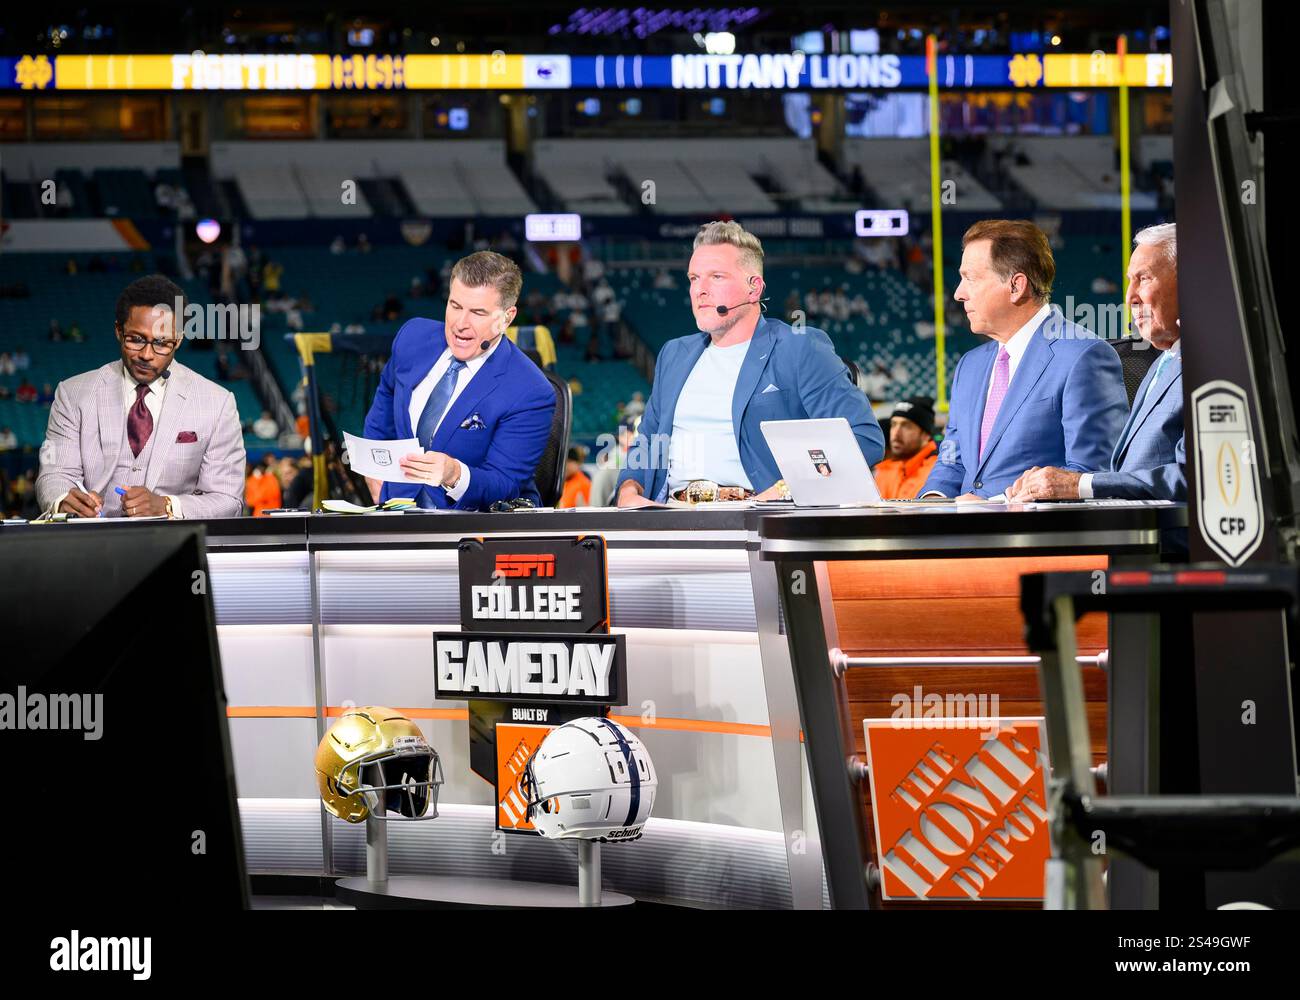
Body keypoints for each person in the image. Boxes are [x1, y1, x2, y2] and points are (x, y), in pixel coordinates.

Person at [617, 221, 884, 506]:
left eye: (716, 277)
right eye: (694, 278)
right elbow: (647, 441)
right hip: (670, 516)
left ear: (754, 288)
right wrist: (629, 490)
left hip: (757, 520)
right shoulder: (674, 354)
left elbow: (864, 439)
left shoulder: (799, 348)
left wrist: (786, 489)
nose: (700, 290)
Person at [919, 219, 1127, 500]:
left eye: (971, 279)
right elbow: (951, 459)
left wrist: (992, 509)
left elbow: (1090, 475)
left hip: (1036, 539)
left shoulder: (1083, 356)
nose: (958, 293)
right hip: (961, 536)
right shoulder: (970, 365)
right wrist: (933, 502)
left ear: (1016, 286)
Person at [36, 274, 246, 518]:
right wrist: (64, 501)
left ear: (178, 340)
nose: (147, 354)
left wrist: (167, 505)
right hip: (91, 545)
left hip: (175, 546)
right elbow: (54, 474)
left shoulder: (217, 402)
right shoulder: (72, 394)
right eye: (135, 339)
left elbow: (228, 500)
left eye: (161, 343)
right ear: (118, 331)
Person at [362, 251, 556, 510]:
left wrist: (455, 474)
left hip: (474, 525)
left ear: (506, 318)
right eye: (455, 306)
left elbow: (505, 482)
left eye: (477, 312)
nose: (460, 323)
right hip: (396, 510)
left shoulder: (530, 390)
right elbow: (386, 397)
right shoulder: (413, 336)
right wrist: (373, 474)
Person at [1008, 223, 1185, 501]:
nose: (1130, 298)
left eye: (1145, 278)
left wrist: (1081, 485)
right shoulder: (1162, 364)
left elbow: (1195, 477)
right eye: (1129, 281)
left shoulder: (1209, 364)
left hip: (1172, 542)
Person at [873, 397, 939, 499]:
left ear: (925, 435)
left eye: (906, 426)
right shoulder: (885, 471)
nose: (896, 433)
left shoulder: (937, 473)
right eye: (893, 424)